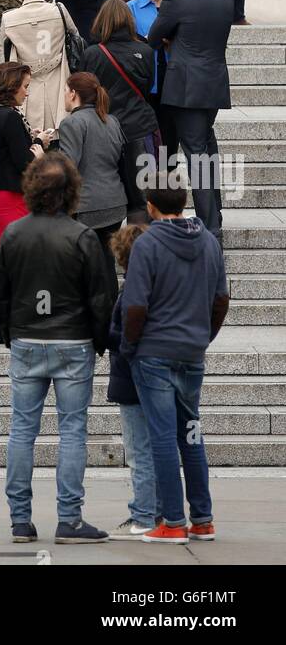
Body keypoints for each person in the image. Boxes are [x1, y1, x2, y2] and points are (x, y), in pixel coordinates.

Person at [0, 153, 113, 544]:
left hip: (28, 337)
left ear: (30, 187)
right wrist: (100, 339)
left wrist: (7, 329)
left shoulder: (13, 233)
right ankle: (70, 519)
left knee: (21, 430)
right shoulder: (83, 237)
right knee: (73, 429)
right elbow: (101, 296)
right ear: (72, 191)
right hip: (73, 340)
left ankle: (20, 520)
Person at [120, 178, 229, 543]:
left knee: (163, 438)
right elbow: (221, 300)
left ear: (150, 206)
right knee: (192, 434)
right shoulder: (209, 242)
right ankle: (203, 518)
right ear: (183, 203)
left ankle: (172, 521)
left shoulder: (147, 243)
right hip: (191, 352)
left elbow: (135, 306)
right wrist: (203, 337)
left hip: (154, 352)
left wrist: (131, 347)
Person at [147, 0, 234, 245]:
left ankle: (210, 228)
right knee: (207, 150)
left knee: (197, 156)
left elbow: (154, 38)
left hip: (186, 90)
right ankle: (216, 217)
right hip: (214, 86)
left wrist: (172, 41)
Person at [0, 62, 47, 343]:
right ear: (11, 87)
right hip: (10, 196)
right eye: (25, 86)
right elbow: (24, 162)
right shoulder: (10, 118)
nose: (27, 93)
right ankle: (19, 322)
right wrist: (39, 148)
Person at [106, 224, 162, 540]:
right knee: (157, 446)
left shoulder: (132, 290)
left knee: (139, 450)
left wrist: (103, 334)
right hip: (157, 375)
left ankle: (143, 514)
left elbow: (126, 336)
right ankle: (157, 510)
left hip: (131, 378)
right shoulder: (159, 285)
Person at [81, 0, 159, 223]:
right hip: (139, 129)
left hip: (104, 130)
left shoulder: (93, 54)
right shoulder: (145, 50)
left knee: (107, 195)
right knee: (141, 197)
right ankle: (140, 249)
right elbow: (149, 89)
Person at [58, 72, 127, 300]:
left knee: (85, 264)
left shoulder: (72, 123)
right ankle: (109, 310)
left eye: (66, 91)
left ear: (74, 93)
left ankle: (96, 311)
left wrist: (44, 155)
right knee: (106, 262)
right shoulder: (111, 120)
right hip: (115, 201)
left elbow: (68, 167)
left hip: (87, 205)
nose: (65, 96)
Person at [2, 0, 79, 131]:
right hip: (59, 85)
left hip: (26, 88)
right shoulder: (58, 10)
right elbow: (76, 37)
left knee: (31, 140)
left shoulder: (8, 18)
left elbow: (6, 53)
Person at [127, 0, 178, 161]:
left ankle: (169, 181)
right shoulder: (131, 8)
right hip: (146, 80)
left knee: (171, 135)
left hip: (173, 79)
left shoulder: (175, 4)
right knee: (149, 138)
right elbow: (127, 41)